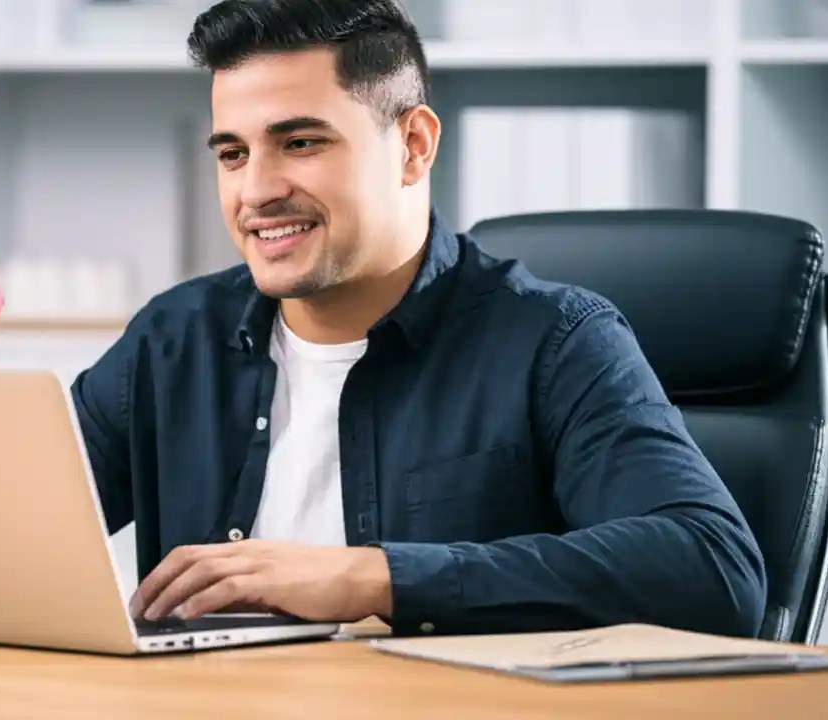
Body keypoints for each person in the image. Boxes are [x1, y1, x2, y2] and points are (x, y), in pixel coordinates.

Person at [70, 0, 766, 638]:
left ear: (413, 146)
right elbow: (2, 538)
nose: (256, 190)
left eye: (301, 143)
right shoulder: (171, 340)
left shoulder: (555, 341)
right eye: (233, 153)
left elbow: (714, 568)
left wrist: (370, 577)